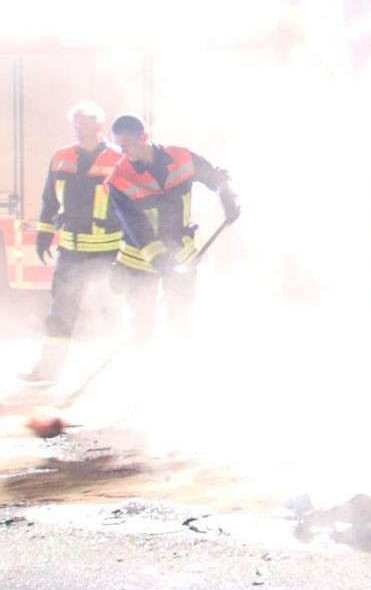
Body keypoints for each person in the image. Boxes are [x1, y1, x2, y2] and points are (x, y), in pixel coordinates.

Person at [105, 114, 239, 340]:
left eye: (126, 144)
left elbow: (215, 176)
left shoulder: (181, 157)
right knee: (142, 320)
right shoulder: (119, 178)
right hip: (140, 259)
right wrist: (161, 262)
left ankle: (176, 363)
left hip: (180, 253)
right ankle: (141, 365)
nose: (123, 152)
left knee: (180, 316)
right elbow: (136, 226)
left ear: (143, 137)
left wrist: (228, 196)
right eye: (119, 146)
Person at [20, 102, 124, 382]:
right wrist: (43, 236)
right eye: (76, 123)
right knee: (62, 311)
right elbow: (50, 200)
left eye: (85, 123)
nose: (79, 128)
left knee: (112, 311)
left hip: (108, 251)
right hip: (71, 250)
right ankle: (48, 370)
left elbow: (130, 203)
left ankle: (119, 371)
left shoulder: (118, 158)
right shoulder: (61, 157)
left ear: (99, 126)